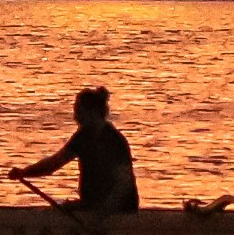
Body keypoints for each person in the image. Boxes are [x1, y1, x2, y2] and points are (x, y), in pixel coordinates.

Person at [13, 85, 139, 215]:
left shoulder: (114, 141)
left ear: (93, 112)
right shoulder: (83, 137)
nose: (75, 118)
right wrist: (24, 172)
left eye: (79, 112)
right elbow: (54, 164)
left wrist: (103, 212)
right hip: (94, 207)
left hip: (120, 211)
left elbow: (124, 183)